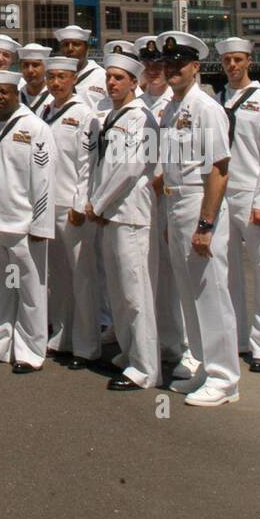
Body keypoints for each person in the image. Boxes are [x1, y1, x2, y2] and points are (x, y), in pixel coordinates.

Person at [158, 32, 241, 407]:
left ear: (196, 67)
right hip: (176, 205)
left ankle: (225, 378)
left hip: (198, 205)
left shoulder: (206, 108)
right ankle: (206, 368)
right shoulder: (173, 108)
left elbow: (218, 171)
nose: (173, 70)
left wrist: (206, 225)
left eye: (180, 65)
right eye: (169, 65)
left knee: (210, 292)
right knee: (189, 294)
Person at [86, 51, 160, 392]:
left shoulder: (140, 118)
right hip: (111, 215)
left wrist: (98, 204)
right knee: (117, 292)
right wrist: (99, 205)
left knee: (135, 294)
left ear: (134, 82)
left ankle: (145, 368)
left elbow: (128, 169)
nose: (112, 83)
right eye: (109, 77)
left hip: (130, 215)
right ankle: (129, 354)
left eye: (119, 78)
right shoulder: (112, 116)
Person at [0, 71, 55, 373]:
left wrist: (41, 224)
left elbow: (44, 180)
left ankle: (31, 350)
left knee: (31, 292)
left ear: (16, 93)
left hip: (24, 225)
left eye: (4, 92)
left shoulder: (35, 128)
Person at [215, 37, 260, 373]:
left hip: (253, 195)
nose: (233, 66)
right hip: (223, 196)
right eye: (228, 60)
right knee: (227, 273)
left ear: (249, 62)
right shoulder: (217, 100)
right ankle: (239, 337)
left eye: (238, 60)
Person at [135, 34, 194, 378]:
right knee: (153, 273)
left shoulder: (181, 103)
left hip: (173, 199)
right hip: (144, 204)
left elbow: (195, 158)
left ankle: (188, 346)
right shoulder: (138, 102)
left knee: (180, 276)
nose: (155, 70)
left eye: (161, 65)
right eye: (150, 65)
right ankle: (165, 339)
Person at [42, 56, 100, 369]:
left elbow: (87, 164)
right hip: (49, 204)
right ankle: (62, 335)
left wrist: (81, 202)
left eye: (62, 77)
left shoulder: (83, 114)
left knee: (82, 277)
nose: (55, 83)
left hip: (72, 206)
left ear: (73, 79)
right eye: (52, 77)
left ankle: (86, 344)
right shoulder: (46, 111)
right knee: (59, 278)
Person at [54, 25, 107, 111]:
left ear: (87, 48)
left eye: (76, 44)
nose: (70, 49)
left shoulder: (102, 76)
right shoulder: (52, 78)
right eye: (65, 45)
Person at [18, 44, 52, 116]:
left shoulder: (54, 96)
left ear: (46, 67)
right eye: (26, 65)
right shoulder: (16, 97)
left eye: (35, 65)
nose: (30, 70)